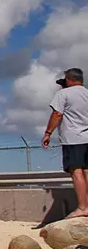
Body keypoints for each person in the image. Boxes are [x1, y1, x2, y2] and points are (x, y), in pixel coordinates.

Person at [43, 68, 88, 218]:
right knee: (87, 171)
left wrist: (48, 133)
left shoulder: (63, 94)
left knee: (76, 171)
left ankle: (82, 207)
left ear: (68, 79)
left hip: (73, 138)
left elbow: (57, 114)